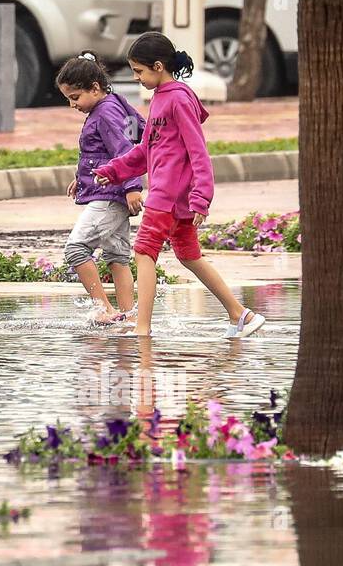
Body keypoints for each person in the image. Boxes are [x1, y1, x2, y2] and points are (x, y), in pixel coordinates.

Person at [94, 32, 265, 339]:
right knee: (188, 255)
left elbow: (199, 152)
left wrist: (201, 197)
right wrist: (113, 170)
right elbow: (146, 151)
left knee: (144, 251)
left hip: (169, 197)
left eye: (139, 71)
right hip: (169, 196)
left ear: (158, 66)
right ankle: (241, 314)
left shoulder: (179, 99)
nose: (136, 78)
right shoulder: (160, 98)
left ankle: (143, 329)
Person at [56, 50, 145, 324]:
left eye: (75, 98)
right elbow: (100, 153)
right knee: (117, 255)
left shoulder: (105, 112)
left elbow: (123, 149)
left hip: (110, 196)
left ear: (95, 88)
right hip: (111, 192)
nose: (73, 105)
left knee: (76, 249)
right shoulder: (111, 105)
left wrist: (133, 186)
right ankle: (130, 316)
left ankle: (104, 308)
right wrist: (81, 178)